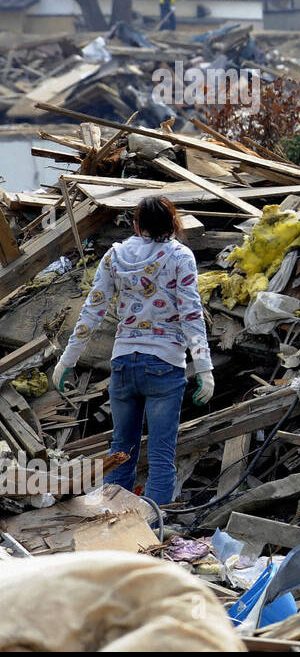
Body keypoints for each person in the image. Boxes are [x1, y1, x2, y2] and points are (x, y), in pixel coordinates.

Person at [51, 196, 213, 504]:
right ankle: (152, 528)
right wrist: (204, 369)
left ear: (136, 225)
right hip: (165, 364)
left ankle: (113, 522)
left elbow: (92, 312)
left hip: (124, 363)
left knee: (120, 451)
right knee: (161, 455)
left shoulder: (114, 257)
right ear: (173, 224)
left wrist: (66, 360)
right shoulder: (181, 257)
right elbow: (191, 314)